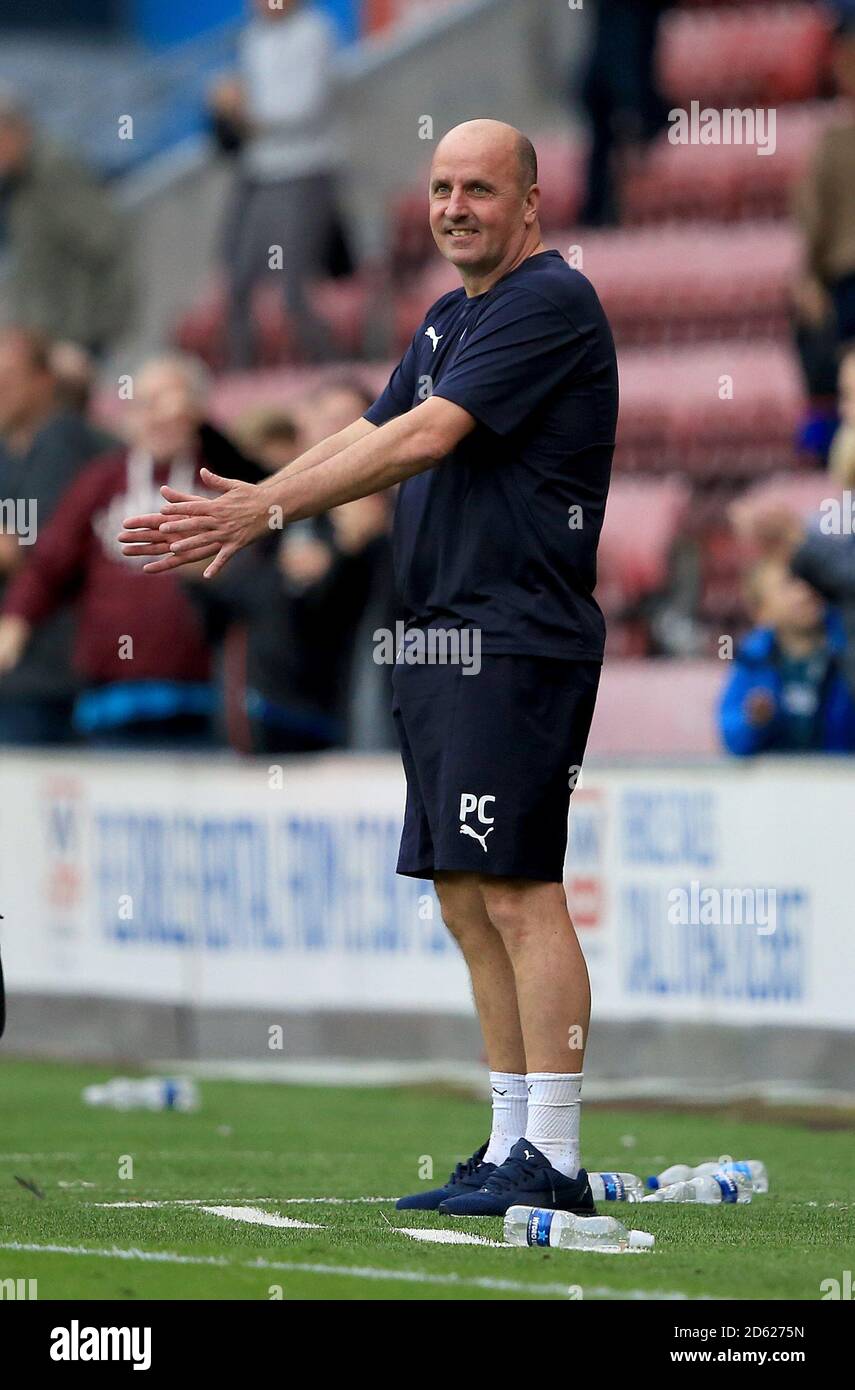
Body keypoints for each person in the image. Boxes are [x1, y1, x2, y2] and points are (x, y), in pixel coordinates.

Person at [119, 119, 618, 1216]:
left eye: (479, 189)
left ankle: (559, 1155)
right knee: (462, 897)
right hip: (441, 638)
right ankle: (506, 1143)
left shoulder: (548, 302)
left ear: (530, 203)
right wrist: (255, 506)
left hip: (512, 636)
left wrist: (269, 503)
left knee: (521, 892)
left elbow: (425, 439)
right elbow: (366, 429)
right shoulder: (449, 314)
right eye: (441, 187)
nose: (453, 207)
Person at [0, 356, 258, 748]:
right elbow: (50, 564)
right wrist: (16, 621)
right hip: (110, 702)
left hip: (204, 702)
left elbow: (271, 521)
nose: (160, 418)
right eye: (146, 405)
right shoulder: (102, 480)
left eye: (173, 405)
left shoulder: (223, 479)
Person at [210, 0, 343, 367]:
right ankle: (243, 378)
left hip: (303, 171)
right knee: (235, 283)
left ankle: (330, 371)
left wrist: (243, 111)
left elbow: (306, 106)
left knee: (292, 291)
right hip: (257, 172)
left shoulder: (314, 31)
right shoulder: (252, 36)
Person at [0, 327, 116, 744]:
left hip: (45, 671)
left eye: (9, 377)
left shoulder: (60, 440)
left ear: (43, 381)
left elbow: (24, 545)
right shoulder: (14, 449)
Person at [0, 85, 134, 357]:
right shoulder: (15, 184)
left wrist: (99, 320)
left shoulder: (55, 169)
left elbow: (104, 238)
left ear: (16, 131)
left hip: (78, 330)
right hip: (45, 333)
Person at [719, 559, 855, 756]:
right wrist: (753, 720)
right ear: (761, 611)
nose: (804, 592)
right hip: (778, 781)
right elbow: (732, 737)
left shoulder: (847, 647)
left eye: (809, 581)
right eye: (787, 585)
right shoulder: (752, 661)